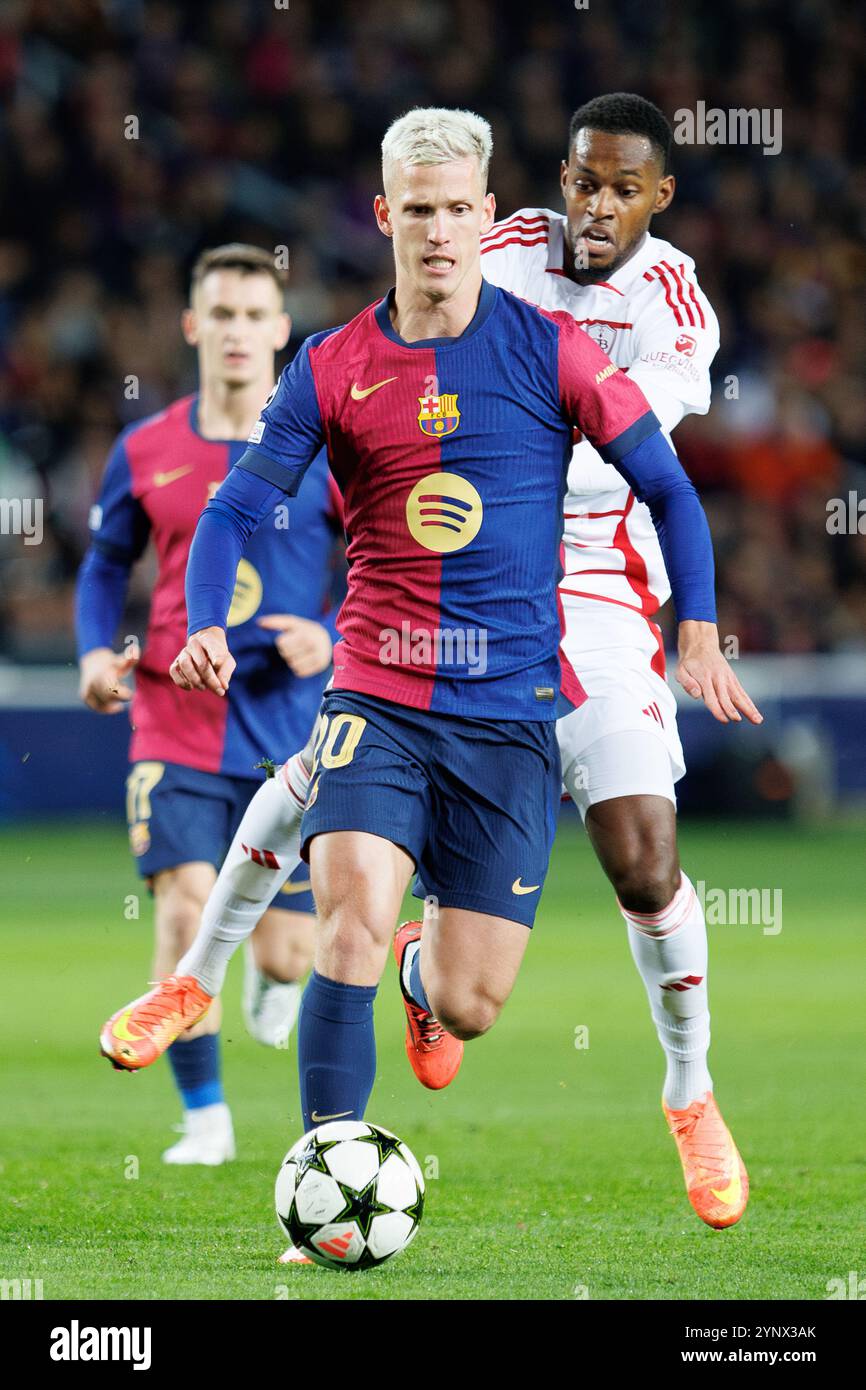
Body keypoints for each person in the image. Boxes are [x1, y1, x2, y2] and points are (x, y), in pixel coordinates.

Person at [100, 108, 727, 1231]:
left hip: (511, 700)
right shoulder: (335, 361)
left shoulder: (555, 351)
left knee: (473, 999)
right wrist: (201, 617)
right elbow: (241, 501)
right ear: (386, 217)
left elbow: (671, 489)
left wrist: (697, 623)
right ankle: (314, 1189)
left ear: (483, 219)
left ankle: (426, 986)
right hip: (379, 689)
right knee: (343, 915)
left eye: (455, 210)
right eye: (417, 212)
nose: (437, 232)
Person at [473, 92, 761, 1229]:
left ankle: (688, 1091)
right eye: (581, 181)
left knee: (642, 859)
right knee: (378, 840)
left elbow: (620, 437)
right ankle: (406, 973)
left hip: (596, 573)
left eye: (621, 187)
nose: (595, 206)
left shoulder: (672, 301)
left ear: (659, 196)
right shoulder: (498, 252)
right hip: (473, 570)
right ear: (560, 178)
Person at [82, 244, 343, 1163]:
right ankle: (205, 1122)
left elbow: (389, 555)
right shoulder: (146, 446)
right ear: (195, 327)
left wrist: (335, 631)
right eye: (219, 315)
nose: (236, 332)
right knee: (186, 913)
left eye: (253, 315)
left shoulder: (323, 450)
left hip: (292, 730)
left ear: (281, 330)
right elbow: (107, 560)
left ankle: (272, 984)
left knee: (285, 957)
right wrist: (91, 651)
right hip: (174, 717)